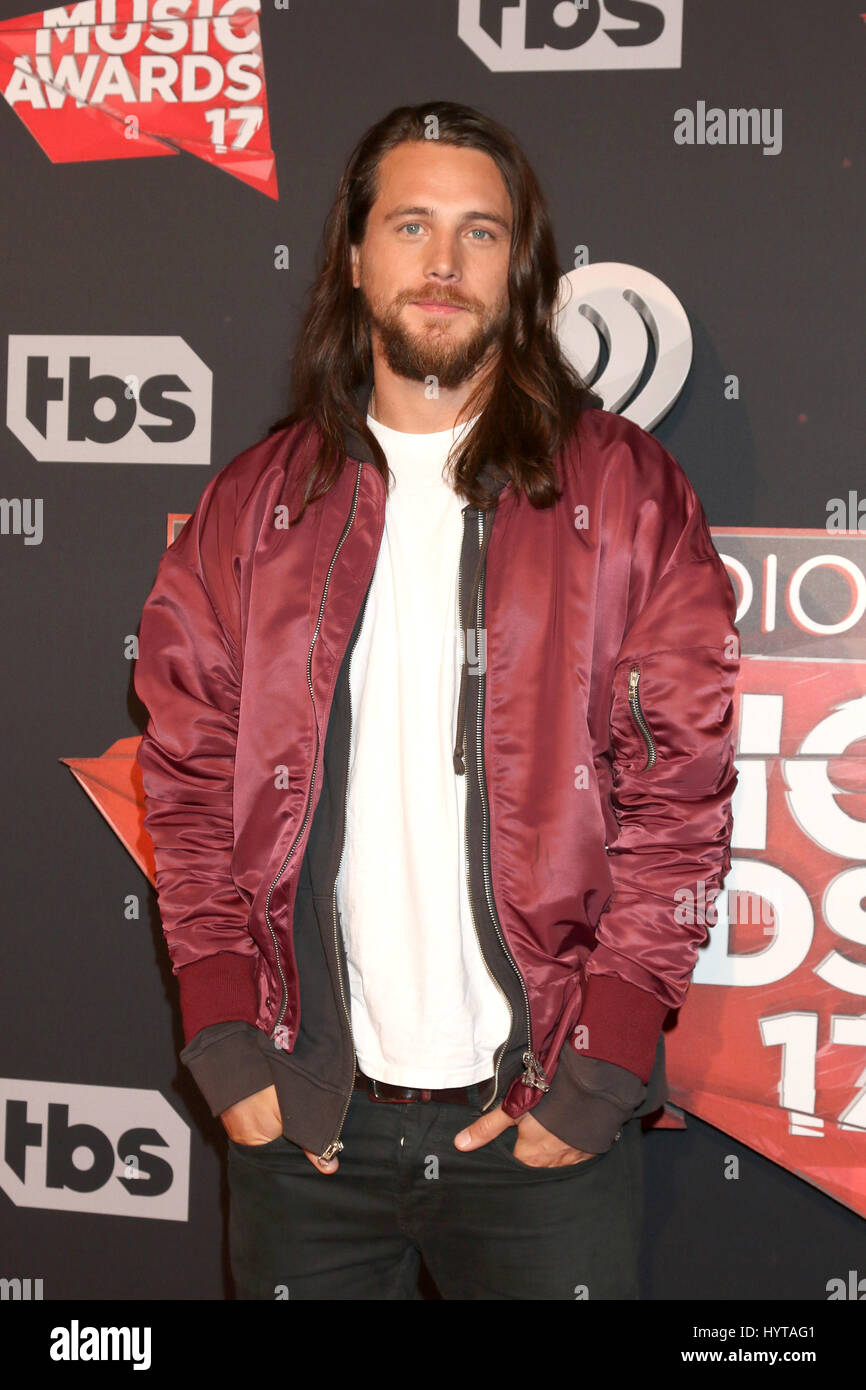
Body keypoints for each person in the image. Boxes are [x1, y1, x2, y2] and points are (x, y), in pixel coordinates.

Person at [133, 100, 739, 1301]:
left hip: (544, 1125)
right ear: (354, 260)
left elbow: (682, 791)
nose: (444, 263)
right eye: (410, 226)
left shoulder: (621, 492)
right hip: (303, 1119)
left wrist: (603, 1064)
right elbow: (190, 780)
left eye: (480, 232)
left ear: (520, 268)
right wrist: (221, 1037)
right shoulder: (254, 507)